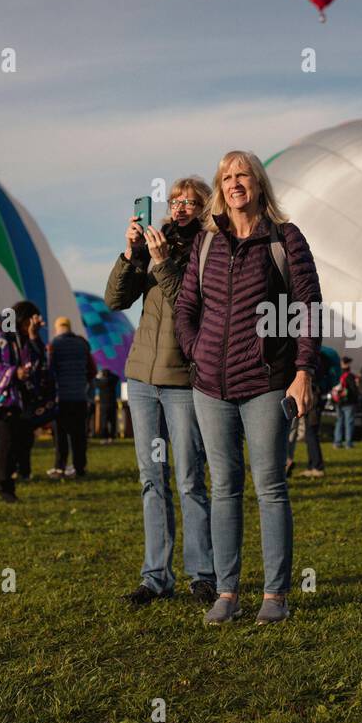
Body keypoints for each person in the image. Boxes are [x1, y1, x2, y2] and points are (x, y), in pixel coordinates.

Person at [174, 150, 322, 625]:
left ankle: (275, 595)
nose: (235, 183)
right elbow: (186, 307)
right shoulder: (207, 241)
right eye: (227, 176)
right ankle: (227, 592)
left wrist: (302, 372)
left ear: (258, 183)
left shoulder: (284, 238)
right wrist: (196, 350)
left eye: (243, 175)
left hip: (265, 381)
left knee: (271, 486)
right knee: (224, 489)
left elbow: (307, 308)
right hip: (210, 386)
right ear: (220, 187)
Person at [105, 176, 217, 606]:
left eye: (191, 202)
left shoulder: (209, 249)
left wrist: (163, 261)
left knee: (189, 479)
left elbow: (193, 306)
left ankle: (202, 575)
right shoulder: (155, 245)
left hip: (184, 381)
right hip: (142, 380)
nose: (181, 208)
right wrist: (131, 254)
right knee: (152, 479)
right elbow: (116, 300)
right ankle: (155, 577)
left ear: (205, 209)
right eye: (175, 201)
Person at [0, 300, 51, 503]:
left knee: (22, 442)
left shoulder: (25, 339)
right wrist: (14, 372)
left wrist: (33, 336)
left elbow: (40, 364)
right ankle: (3, 483)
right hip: (3, 400)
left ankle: (2, 475)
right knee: (7, 441)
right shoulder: (1, 337)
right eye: (28, 322)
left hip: (22, 400)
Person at [46, 316, 93, 478]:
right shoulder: (82, 344)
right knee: (79, 435)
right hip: (80, 397)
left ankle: (60, 467)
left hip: (62, 398)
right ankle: (80, 468)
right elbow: (92, 370)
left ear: (57, 328)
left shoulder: (54, 345)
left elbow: (49, 371)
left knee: (61, 435)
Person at [331, 357, 359, 448]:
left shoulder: (336, 374)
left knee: (339, 422)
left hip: (338, 402)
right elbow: (354, 390)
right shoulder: (350, 375)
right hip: (349, 403)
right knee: (349, 423)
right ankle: (348, 443)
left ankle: (337, 442)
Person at [94, 367, 120, 443]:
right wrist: (110, 373)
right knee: (112, 422)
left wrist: (98, 376)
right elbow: (117, 377)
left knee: (103, 422)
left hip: (103, 405)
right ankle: (112, 437)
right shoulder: (112, 381)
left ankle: (104, 437)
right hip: (112, 404)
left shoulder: (101, 383)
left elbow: (95, 381)